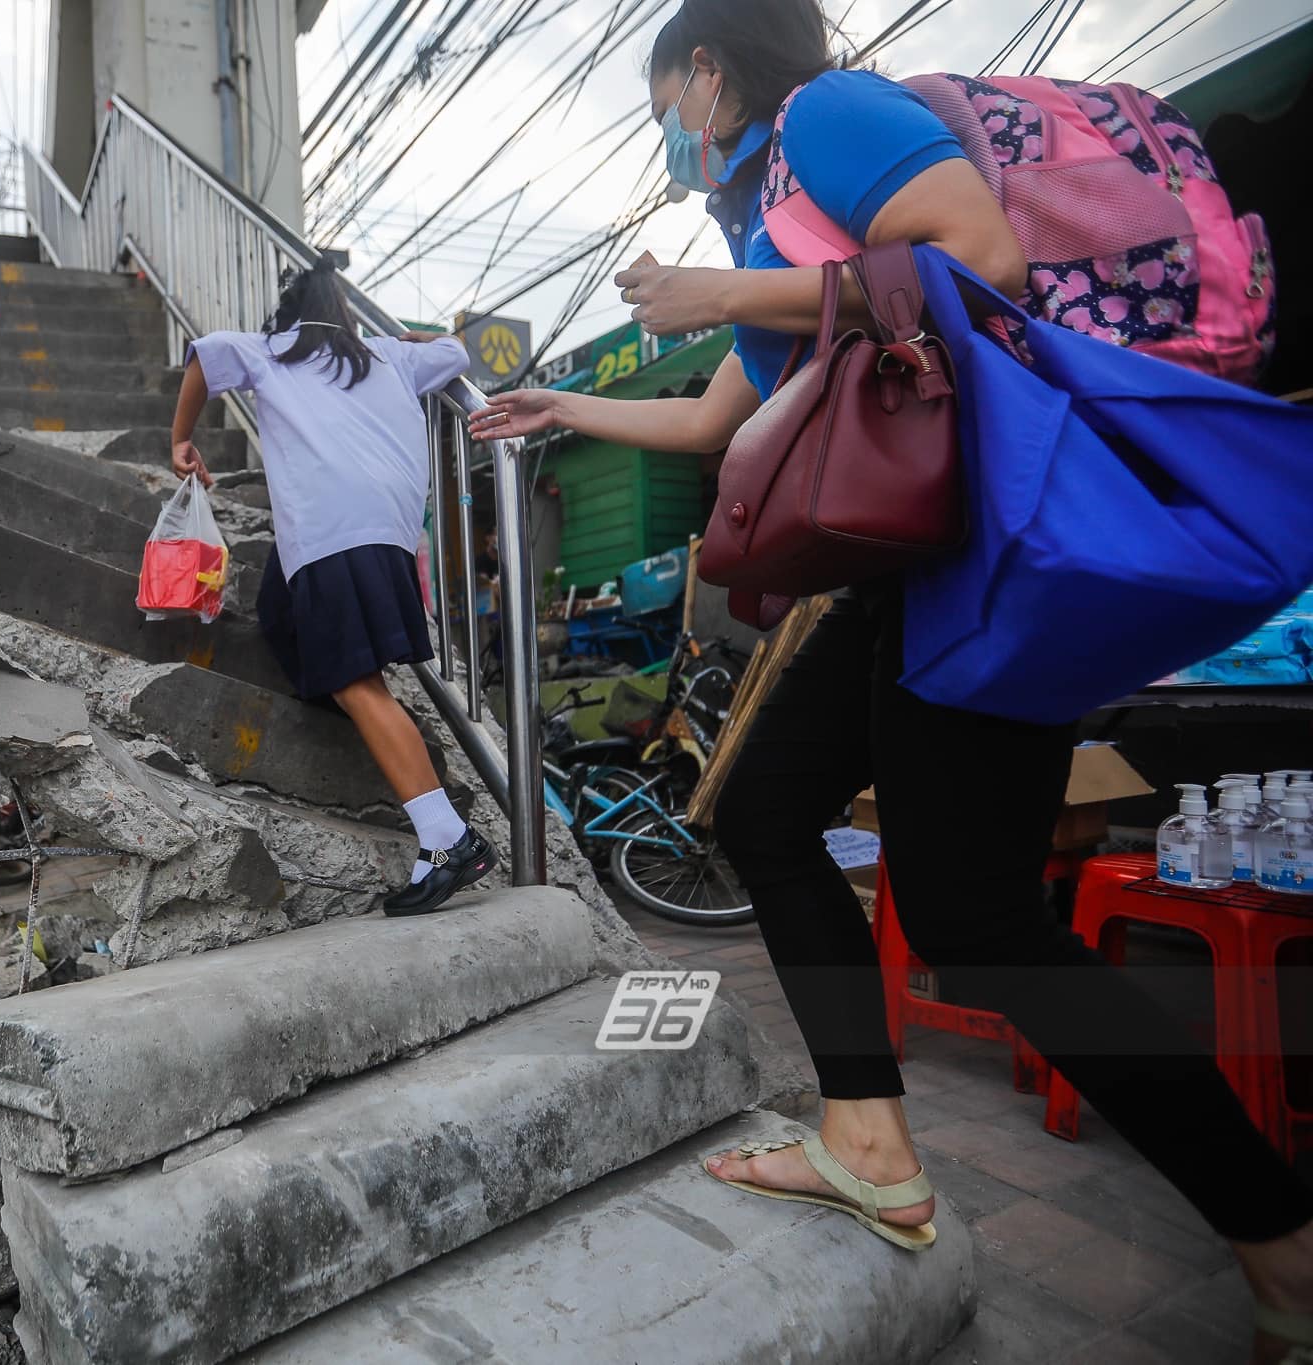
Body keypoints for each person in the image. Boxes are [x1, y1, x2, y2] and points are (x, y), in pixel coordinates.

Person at [470, 0, 1313, 1352]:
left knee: (977, 918)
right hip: (898, 569)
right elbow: (709, 418)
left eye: (663, 100)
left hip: (977, 540)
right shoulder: (772, 225)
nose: (668, 134)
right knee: (760, 809)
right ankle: (867, 1134)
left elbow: (977, 258)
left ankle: (1281, 1242)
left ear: (708, 74)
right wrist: (563, 406)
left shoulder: (832, 118)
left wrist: (715, 294)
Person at [172, 261, 499, 915]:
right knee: (275, 604)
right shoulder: (386, 356)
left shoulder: (270, 351)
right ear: (346, 316)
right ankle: (339, 696)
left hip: (330, 533)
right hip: (386, 533)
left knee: (360, 686)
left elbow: (203, 360)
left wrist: (181, 438)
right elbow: (459, 350)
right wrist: (409, 339)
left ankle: (447, 838)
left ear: (289, 317)